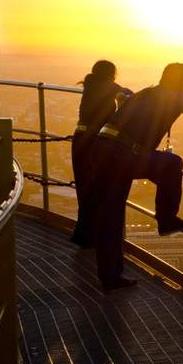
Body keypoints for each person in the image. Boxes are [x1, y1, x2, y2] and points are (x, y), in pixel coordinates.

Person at [91, 62, 183, 291]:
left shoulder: (147, 92)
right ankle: (166, 218)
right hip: (123, 155)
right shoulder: (174, 96)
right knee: (172, 164)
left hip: (103, 150)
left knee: (110, 216)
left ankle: (109, 275)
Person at [69, 60, 133, 247]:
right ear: (111, 73)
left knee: (84, 189)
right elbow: (127, 93)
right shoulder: (109, 86)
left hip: (79, 138)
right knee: (97, 189)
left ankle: (84, 236)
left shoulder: (90, 85)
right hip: (94, 141)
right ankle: (92, 237)